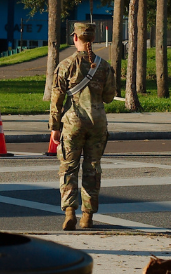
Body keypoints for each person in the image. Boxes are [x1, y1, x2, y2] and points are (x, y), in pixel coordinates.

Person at [49, 22, 116, 230]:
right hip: (97, 124)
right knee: (92, 169)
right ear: (93, 39)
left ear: (75, 38)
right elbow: (109, 96)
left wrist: (54, 126)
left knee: (69, 168)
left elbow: (56, 98)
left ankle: (70, 212)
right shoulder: (103, 66)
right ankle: (88, 216)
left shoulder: (66, 65)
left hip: (72, 122)